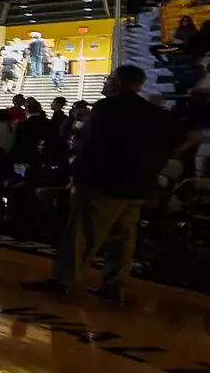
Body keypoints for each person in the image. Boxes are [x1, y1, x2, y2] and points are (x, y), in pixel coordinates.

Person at [23, 65, 174, 301]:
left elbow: (94, 146)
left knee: (82, 234)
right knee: (123, 239)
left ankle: (64, 280)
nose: (106, 82)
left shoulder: (106, 108)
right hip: (138, 186)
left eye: (109, 78)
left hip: (105, 182)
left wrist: (77, 174)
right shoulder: (153, 113)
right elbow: (162, 149)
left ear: (119, 83)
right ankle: (114, 286)